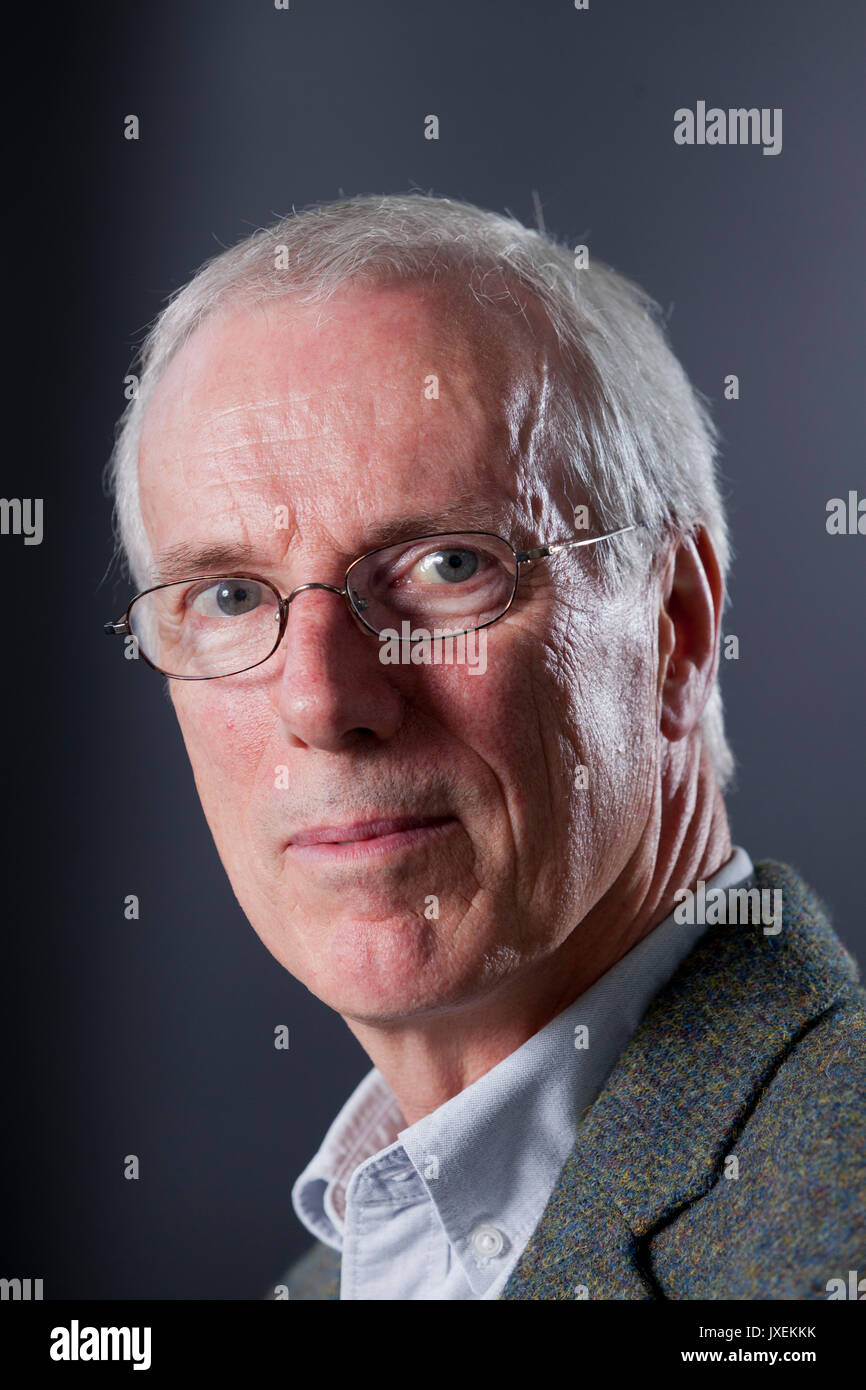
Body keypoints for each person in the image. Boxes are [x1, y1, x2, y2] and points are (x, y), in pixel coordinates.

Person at [103, 193, 865, 1300]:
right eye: (228, 594)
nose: (322, 698)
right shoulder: (332, 1280)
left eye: (447, 566)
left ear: (675, 628)